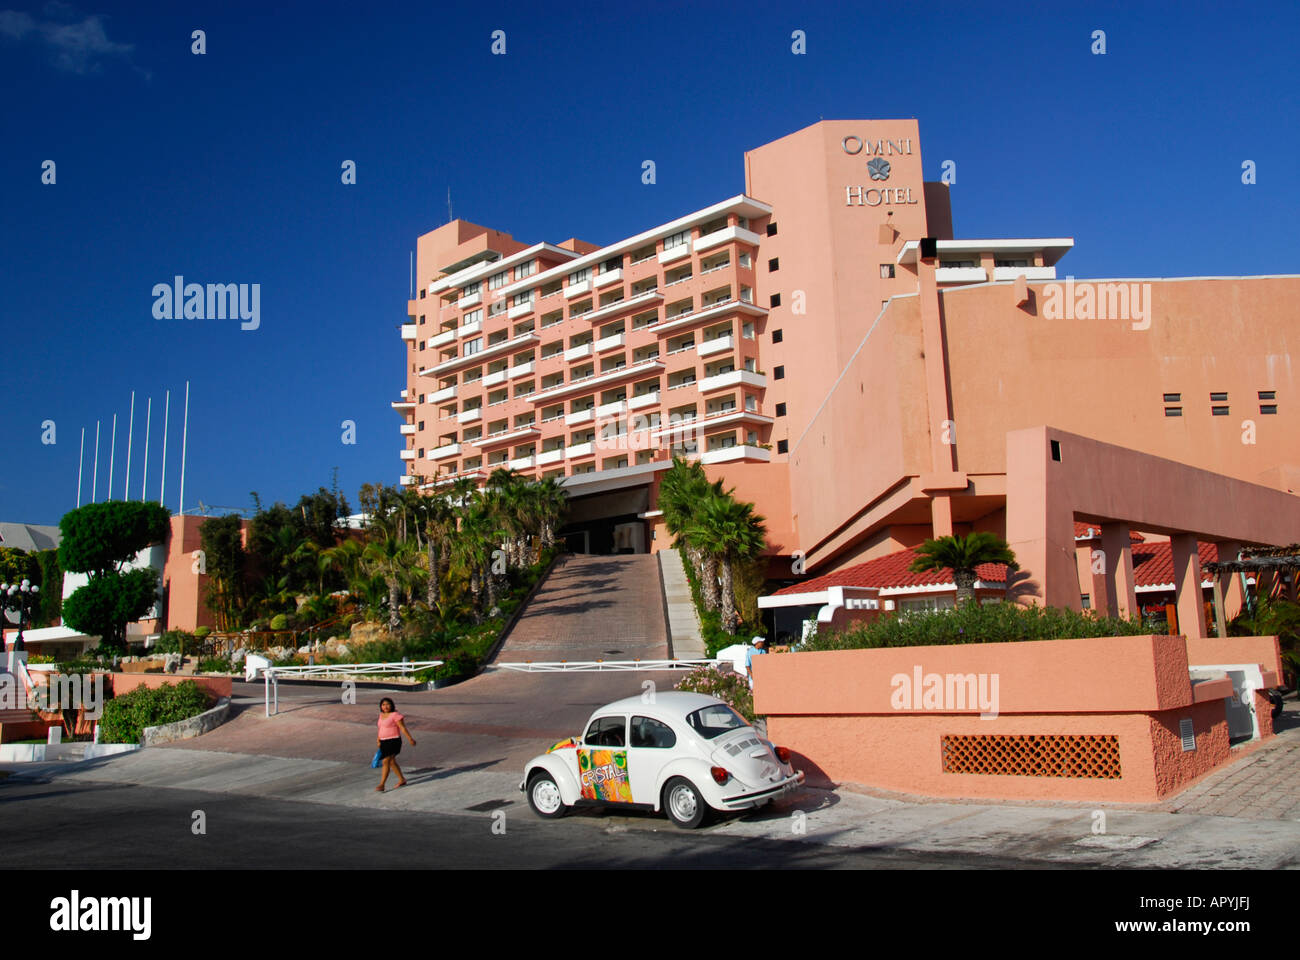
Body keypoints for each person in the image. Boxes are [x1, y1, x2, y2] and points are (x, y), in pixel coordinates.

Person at [375, 697, 416, 792]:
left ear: (392, 705)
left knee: (386, 761)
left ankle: (382, 784)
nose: (385, 706)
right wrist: (378, 739)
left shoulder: (395, 715)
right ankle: (402, 779)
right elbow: (380, 728)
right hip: (383, 742)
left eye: (388, 704)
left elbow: (402, 728)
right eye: (383, 705)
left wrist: (410, 738)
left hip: (394, 741)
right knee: (392, 762)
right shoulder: (381, 715)